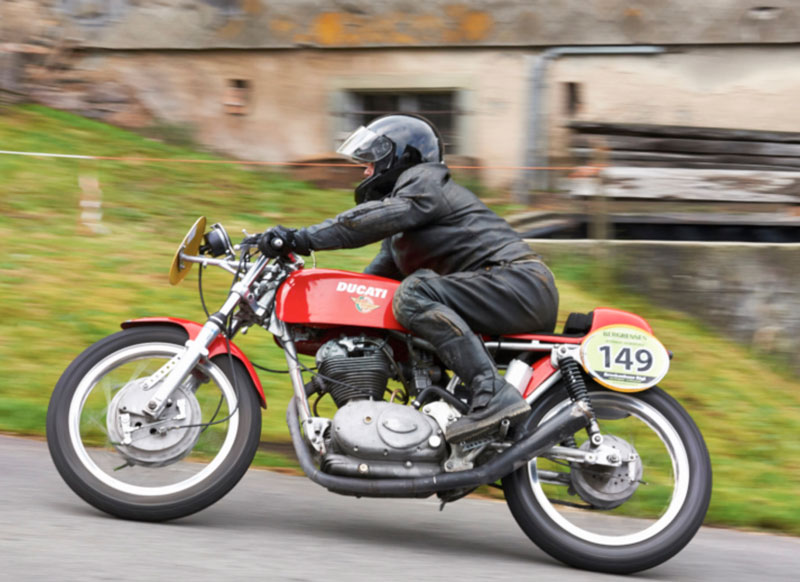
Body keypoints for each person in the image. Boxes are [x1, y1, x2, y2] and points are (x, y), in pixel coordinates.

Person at [259, 114, 559, 443]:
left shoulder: (425, 182)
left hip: (518, 284)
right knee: (393, 312)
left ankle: (492, 393)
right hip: (501, 289)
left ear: (400, 157)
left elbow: (365, 221)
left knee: (413, 293)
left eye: (371, 162)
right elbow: (365, 292)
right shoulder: (403, 234)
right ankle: (438, 415)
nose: (365, 171)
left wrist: (299, 238)